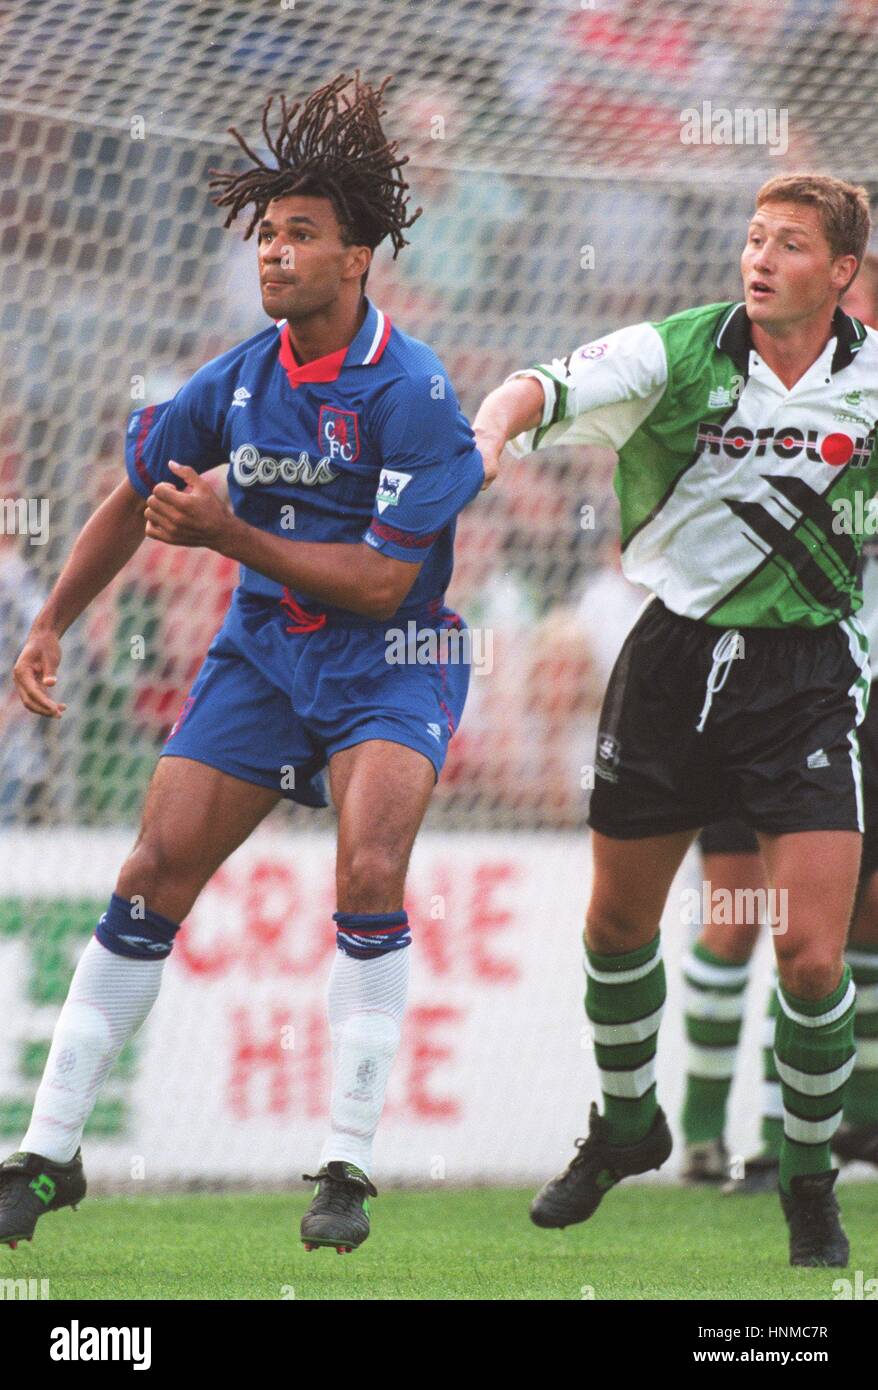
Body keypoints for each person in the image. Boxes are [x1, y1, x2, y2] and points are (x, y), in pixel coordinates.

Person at [0, 73, 484, 1256]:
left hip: (392, 659)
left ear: (356, 256)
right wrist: (55, 615)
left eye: (299, 235)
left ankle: (346, 1165)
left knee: (368, 867)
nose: (273, 254)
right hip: (264, 658)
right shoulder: (238, 377)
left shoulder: (414, 394)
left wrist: (229, 534)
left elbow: (382, 584)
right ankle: (46, 1152)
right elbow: (138, 492)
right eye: (266, 234)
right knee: (152, 867)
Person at [473, 173, 878, 1267]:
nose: (758, 259)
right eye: (752, 239)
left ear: (840, 274)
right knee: (613, 925)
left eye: (787, 245)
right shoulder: (677, 351)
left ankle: (806, 1174)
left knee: (806, 952)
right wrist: (490, 433)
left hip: (804, 676)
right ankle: (629, 1121)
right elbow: (538, 386)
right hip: (670, 663)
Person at [681, 252, 878, 1192]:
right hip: (734, 670)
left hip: (840, 687)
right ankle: (701, 1131)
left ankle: (794, 1136)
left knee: (831, 923)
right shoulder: (734, 376)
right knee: (734, 912)